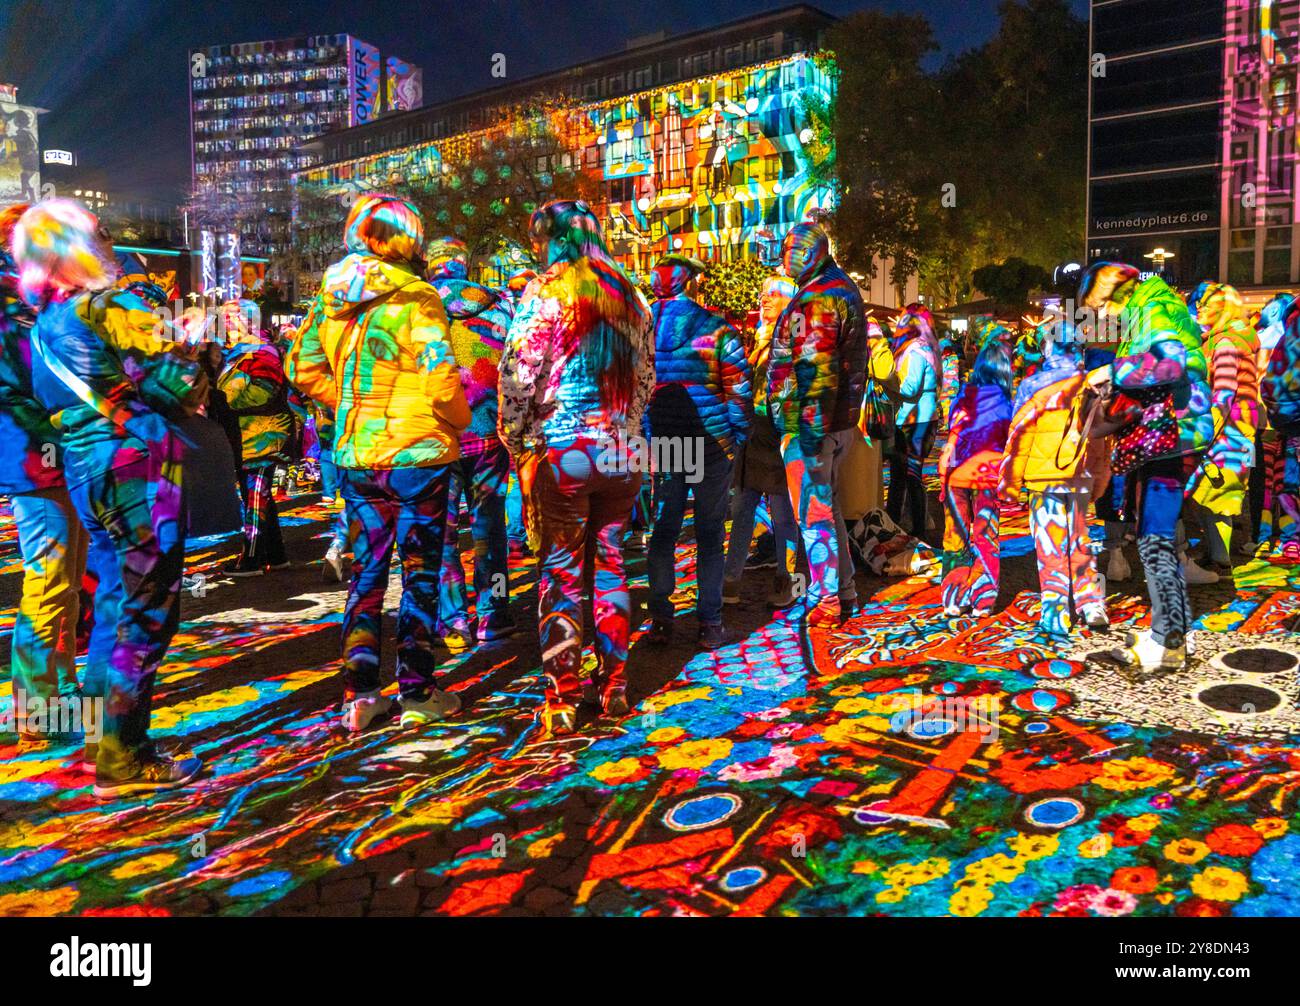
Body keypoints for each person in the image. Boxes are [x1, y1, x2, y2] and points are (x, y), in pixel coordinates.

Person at [14, 198, 204, 797]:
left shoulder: (44, 322)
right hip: (133, 461)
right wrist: (192, 349)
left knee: (116, 600)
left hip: (81, 463)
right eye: (98, 237)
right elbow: (180, 379)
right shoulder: (109, 304)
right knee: (148, 605)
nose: (109, 246)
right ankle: (126, 755)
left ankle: (102, 740)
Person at [286, 194, 470, 732]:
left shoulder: (329, 299)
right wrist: (456, 421)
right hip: (419, 456)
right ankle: (416, 689)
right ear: (406, 237)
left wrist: (348, 398)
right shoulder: (418, 297)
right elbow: (441, 381)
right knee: (420, 574)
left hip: (358, 457)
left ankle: (360, 695)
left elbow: (301, 367)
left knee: (364, 576)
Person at [498, 199, 654, 735]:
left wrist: (517, 440)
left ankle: (562, 695)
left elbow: (519, 374)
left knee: (562, 572)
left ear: (555, 239)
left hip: (567, 449)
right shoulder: (632, 295)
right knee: (610, 565)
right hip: (623, 451)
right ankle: (614, 686)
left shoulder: (548, 289)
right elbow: (647, 380)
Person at [1080, 261, 1210, 670]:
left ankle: (1167, 640)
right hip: (1171, 435)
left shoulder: (1148, 308)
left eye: (1098, 305)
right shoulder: (1154, 306)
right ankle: (1169, 634)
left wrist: (1112, 371)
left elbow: (1170, 365)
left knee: (1155, 537)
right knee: (1157, 535)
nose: (1101, 316)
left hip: (1169, 436)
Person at [0, 202, 89, 748]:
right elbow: (17, 389)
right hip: (36, 458)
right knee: (48, 578)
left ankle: (60, 690)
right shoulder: (11, 307)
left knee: (67, 580)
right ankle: (34, 706)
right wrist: (61, 431)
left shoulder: (33, 303)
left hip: (57, 454)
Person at [644, 253, 752, 649]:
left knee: (664, 529)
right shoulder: (716, 328)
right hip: (711, 442)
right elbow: (738, 389)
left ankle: (660, 619)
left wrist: (646, 434)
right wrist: (737, 435)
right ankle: (710, 623)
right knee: (709, 533)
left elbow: (635, 387)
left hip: (668, 441)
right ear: (690, 284)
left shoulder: (642, 327)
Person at [767, 222, 868, 627]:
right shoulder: (836, 288)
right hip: (834, 422)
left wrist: (807, 436)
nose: (782, 258)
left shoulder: (819, 298)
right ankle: (843, 591)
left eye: (789, 250)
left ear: (810, 253)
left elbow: (816, 372)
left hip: (813, 425)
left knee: (814, 514)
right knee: (827, 509)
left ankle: (826, 601)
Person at [426, 236, 515, 646]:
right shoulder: (499, 305)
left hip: (438, 437)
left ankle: (454, 618)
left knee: (443, 533)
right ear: (464, 264)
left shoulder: (419, 306)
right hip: (488, 433)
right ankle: (494, 612)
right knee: (490, 528)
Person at [998, 321, 1109, 635]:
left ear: (1046, 348)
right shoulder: (1089, 385)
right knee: (1081, 539)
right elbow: (1099, 436)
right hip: (1080, 473)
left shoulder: (1032, 386)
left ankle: (1056, 611)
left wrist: (1009, 479)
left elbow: (1018, 437)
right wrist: (1100, 476)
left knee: (1050, 544)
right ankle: (1091, 603)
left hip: (1043, 478)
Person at [723, 274, 801, 608]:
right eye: (763, 293)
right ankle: (730, 580)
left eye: (772, 294)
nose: (764, 298)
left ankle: (790, 582)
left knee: (784, 516)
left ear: (789, 300)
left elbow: (788, 392)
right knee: (742, 510)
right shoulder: (761, 338)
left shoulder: (792, 339)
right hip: (754, 438)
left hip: (778, 438)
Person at [218, 299, 293, 577]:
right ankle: (276, 554)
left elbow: (263, 390)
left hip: (263, 435)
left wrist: (222, 400)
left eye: (233, 318)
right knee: (258, 496)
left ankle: (251, 559)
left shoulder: (261, 351)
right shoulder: (237, 352)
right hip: (246, 435)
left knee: (254, 496)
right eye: (224, 318)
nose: (227, 323)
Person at [1187, 284, 1260, 571]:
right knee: (1215, 493)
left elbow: (1225, 393)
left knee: (1217, 494)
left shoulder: (1226, 343)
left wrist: (1208, 430)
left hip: (1229, 429)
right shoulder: (1222, 340)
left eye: (1205, 304)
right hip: (1237, 427)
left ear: (1222, 307)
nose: (1200, 308)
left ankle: (1220, 560)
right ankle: (1217, 555)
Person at [939, 340, 1012, 618]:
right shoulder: (1006, 402)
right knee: (986, 536)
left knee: (955, 536)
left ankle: (953, 598)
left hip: (958, 473)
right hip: (988, 478)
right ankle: (982, 599)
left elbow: (952, 434)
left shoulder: (963, 395)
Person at [887, 304, 941, 538]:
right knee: (904, 475)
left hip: (913, 419)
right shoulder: (929, 348)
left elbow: (910, 387)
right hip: (922, 418)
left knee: (909, 475)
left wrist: (886, 382)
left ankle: (914, 527)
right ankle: (902, 523)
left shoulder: (916, 350)